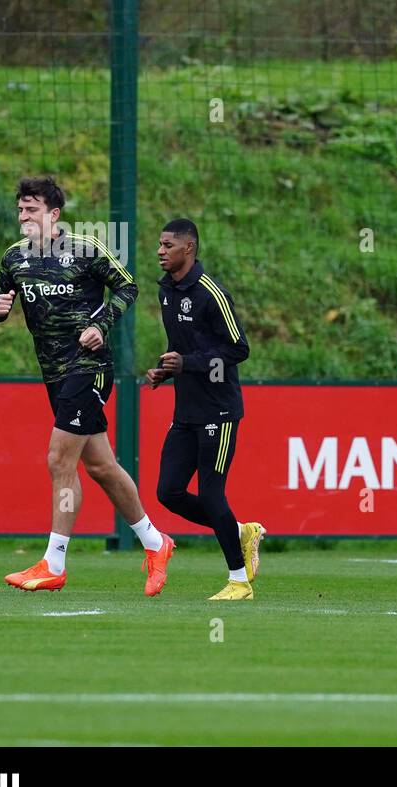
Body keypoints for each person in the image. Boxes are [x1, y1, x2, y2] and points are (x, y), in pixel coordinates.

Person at [0, 176, 174, 595]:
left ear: (54, 214)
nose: (23, 217)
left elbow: (128, 286)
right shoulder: (14, 259)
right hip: (54, 375)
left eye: (32, 209)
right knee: (101, 467)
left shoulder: (85, 250)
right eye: (20, 209)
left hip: (89, 368)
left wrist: (100, 324)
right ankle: (155, 542)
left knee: (59, 460)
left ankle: (53, 563)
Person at [147, 219, 266, 601]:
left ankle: (238, 581)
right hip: (187, 411)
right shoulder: (168, 290)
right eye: (160, 245)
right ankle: (240, 533)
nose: (160, 251)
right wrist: (167, 370)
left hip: (219, 411)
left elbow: (238, 349)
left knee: (213, 495)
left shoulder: (210, 293)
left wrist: (189, 364)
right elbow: (184, 344)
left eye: (168, 245)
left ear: (189, 249)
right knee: (168, 492)